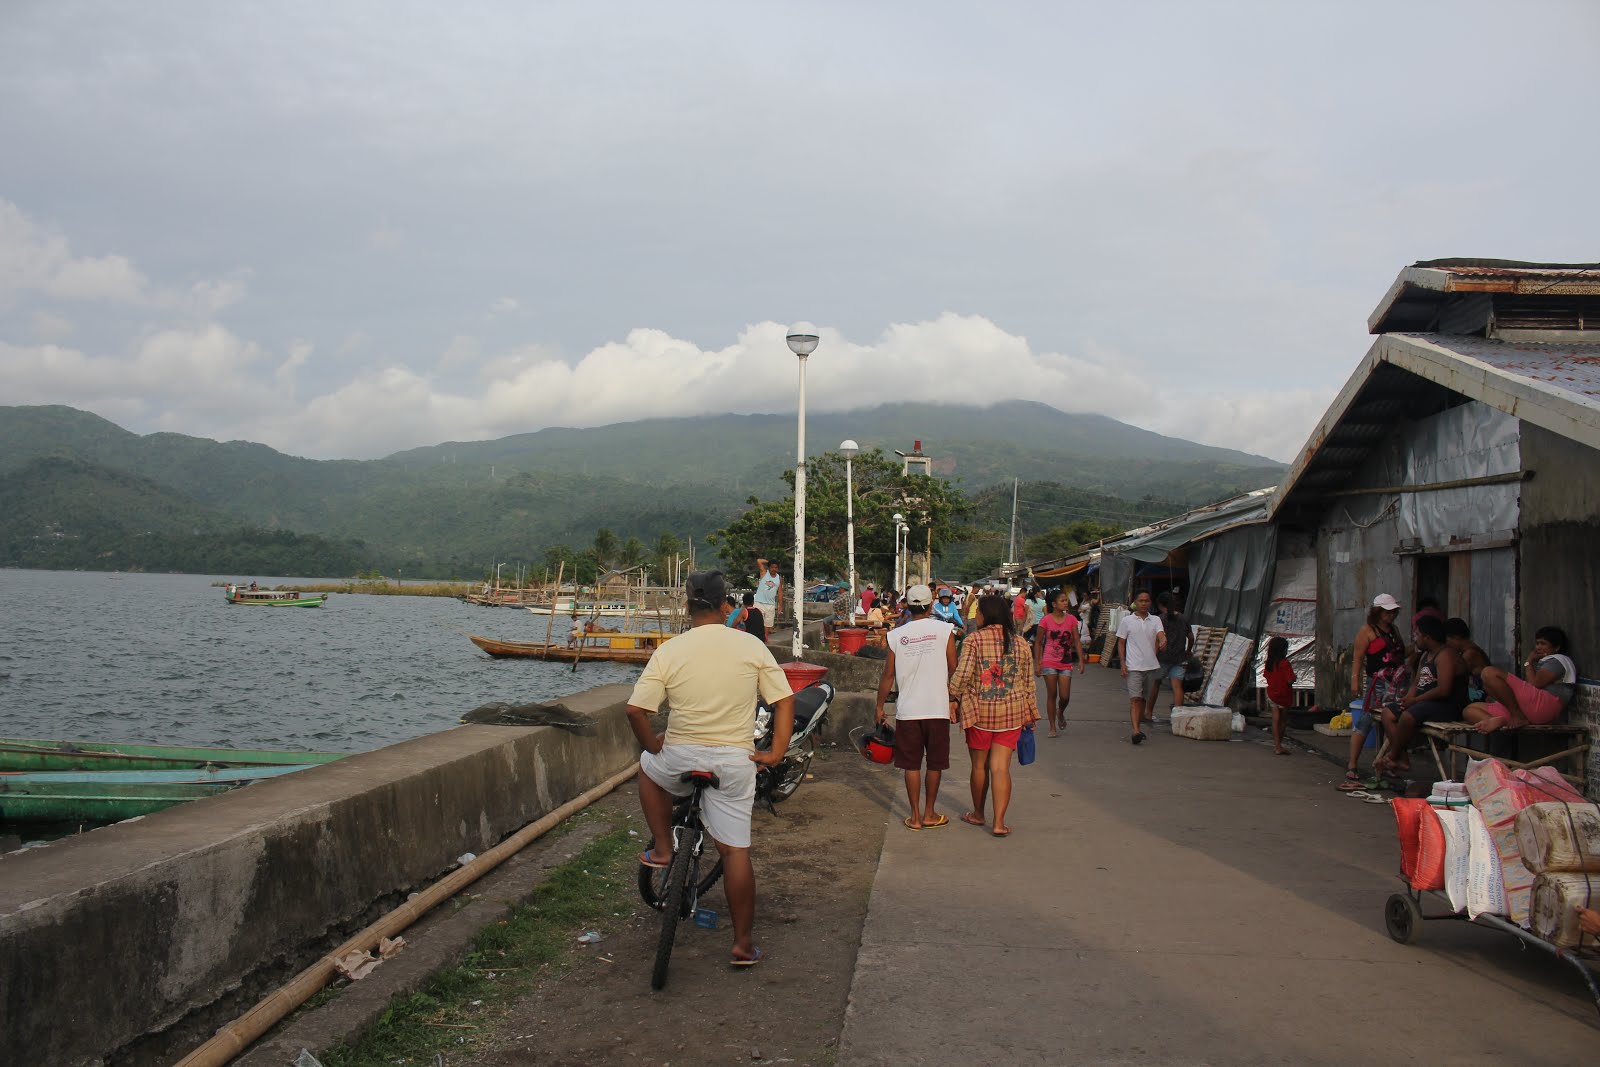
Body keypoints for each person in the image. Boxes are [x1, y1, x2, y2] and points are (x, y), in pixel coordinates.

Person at [625, 570, 795, 968]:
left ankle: (664, 847)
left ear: (687, 608)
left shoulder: (670, 650)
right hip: (734, 761)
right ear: (726, 607)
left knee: (648, 768)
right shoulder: (751, 646)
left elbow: (636, 710)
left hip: (680, 754)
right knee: (735, 852)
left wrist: (654, 745)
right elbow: (783, 701)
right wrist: (773, 754)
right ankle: (742, 945)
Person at [950, 594, 1038, 837]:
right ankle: (999, 823)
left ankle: (979, 814)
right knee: (1000, 768)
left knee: (979, 766)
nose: (975, 615)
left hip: (979, 713)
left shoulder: (974, 640)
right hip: (1011, 715)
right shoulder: (1020, 643)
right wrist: (1031, 712)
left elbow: (962, 674)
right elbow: (1028, 682)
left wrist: (951, 698)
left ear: (986, 615)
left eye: (978, 611)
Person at [874, 584, 959, 830]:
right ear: (931, 605)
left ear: (907, 607)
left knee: (911, 764)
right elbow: (954, 670)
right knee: (935, 763)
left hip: (909, 710)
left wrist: (879, 706)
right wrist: (954, 700)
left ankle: (915, 817)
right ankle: (930, 813)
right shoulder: (945, 631)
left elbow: (888, 676)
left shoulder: (896, 635)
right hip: (937, 708)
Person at [1375, 615, 1467, 776]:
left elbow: (1444, 690)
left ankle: (1392, 756)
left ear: (1427, 637)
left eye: (1418, 635)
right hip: (1423, 703)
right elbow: (1415, 683)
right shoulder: (1426, 655)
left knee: (1407, 717)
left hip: (1446, 705)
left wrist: (1415, 701)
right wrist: (1408, 699)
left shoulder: (1446, 655)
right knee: (1387, 713)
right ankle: (1402, 758)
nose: (1415, 640)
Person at [1340, 593, 1408, 789]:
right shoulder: (1367, 631)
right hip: (1377, 683)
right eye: (1389, 612)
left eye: (1394, 612)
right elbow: (1358, 659)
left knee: (1392, 719)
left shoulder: (1393, 630)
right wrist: (1355, 683)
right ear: (1378, 612)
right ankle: (1352, 764)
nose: (1392, 615)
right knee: (1366, 719)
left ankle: (1388, 761)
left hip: (1396, 682)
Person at [1463, 626, 1577, 733]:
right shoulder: (1545, 661)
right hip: (1531, 712)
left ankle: (1516, 715)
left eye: (1543, 644)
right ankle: (1496, 720)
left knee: (1489, 673)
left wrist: (1528, 662)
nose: (1538, 647)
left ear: (1556, 647)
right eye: (1537, 643)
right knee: (1470, 710)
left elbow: (1534, 684)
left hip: (1544, 706)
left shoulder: (1558, 660)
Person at [1115, 590, 1165, 745]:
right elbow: (1121, 642)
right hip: (1133, 666)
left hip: (1150, 666)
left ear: (1150, 603)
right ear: (1135, 602)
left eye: (1147, 600)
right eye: (1141, 600)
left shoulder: (1156, 620)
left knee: (1143, 698)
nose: (1144, 603)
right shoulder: (1127, 621)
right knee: (1135, 699)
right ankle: (1135, 730)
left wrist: (1163, 639)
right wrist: (1123, 663)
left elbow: (1160, 634)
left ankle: (1139, 722)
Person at [1034, 588, 1082, 736]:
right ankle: (1052, 727)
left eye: (1066, 600)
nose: (1065, 603)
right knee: (1052, 694)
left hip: (1066, 662)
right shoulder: (1045, 620)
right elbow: (1038, 643)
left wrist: (1081, 660)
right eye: (1062, 600)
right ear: (1054, 604)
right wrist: (1038, 663)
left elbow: (1076, 641)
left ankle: (1060, 711)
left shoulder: (1072, 620)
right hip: (1049, 661)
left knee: (1065, 696)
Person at [1155, 591, 1193, 720]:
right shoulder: (1184, 618)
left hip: (1162, 658)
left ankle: (1148, 712)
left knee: (1155, 684)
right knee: (1177, 687)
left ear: (1160, 605)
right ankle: (1177, 718)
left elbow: (1155, 639)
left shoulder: (1160, 619)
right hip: (1180, 657)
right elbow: (1191, 637)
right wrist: (1189, 650)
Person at [1443, 618, 1491, 703]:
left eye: (1447, 641)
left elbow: (1455, 675)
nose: (1447, 645)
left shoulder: (1470, 654)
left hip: (1480, 698)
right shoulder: (1469, 650)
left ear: (1456, 637)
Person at [1263, 636, 1296, 755]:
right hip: (1284, 696)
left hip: (1272, 694)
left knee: (1275, 719)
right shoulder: (1285, 663)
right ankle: (1279, 745)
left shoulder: (1269, 663)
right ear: (1282, 650)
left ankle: (1277, 745)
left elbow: (1266, 676)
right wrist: (1294, 678)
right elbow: (1290, 680)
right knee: (1282, 721)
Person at [753, 559, 783, 626]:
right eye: (772, 567)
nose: (774, 569)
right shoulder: (764, 573)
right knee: (757, 623)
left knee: (767, 626)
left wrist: (780, 605)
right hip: (759, 603)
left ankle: (765, 636)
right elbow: (758, 561)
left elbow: (780, 592)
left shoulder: (779, 578)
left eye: (776, 567)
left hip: (771, 605)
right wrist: (769, 561)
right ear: (769, 567)